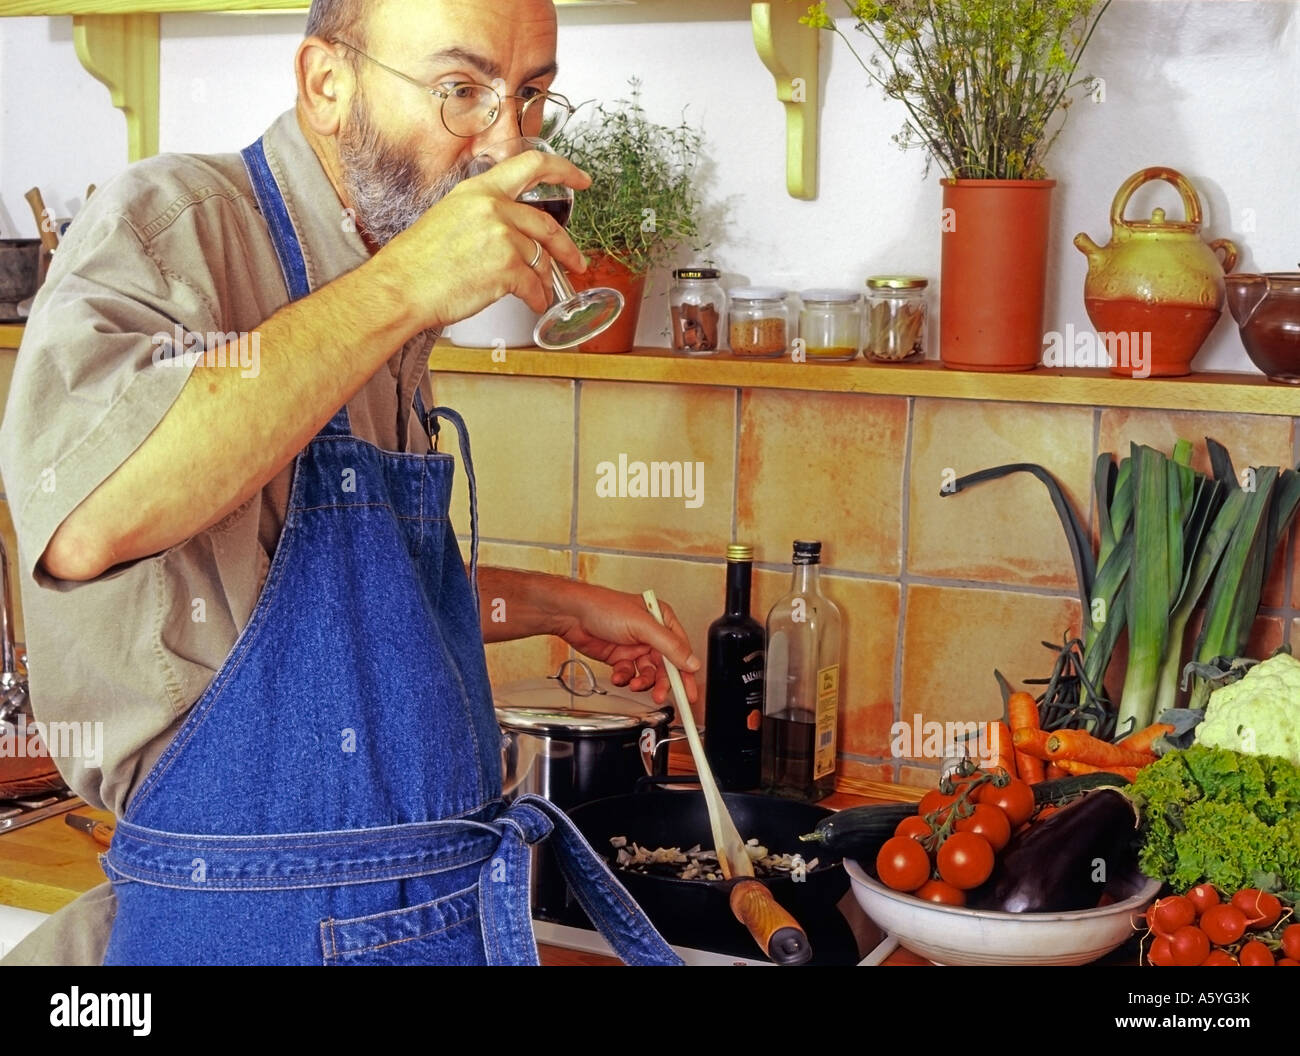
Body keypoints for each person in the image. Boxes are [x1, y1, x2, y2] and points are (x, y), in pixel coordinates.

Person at [0, 0, 698, 966]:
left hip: (424, 918)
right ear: (327, 83)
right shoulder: (175, 226)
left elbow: (319, 598)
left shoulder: (384, 277)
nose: (507, 142)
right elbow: (87, 514)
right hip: (248, 932)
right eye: (462, 91)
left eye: (530, 94)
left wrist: (552, 604)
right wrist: (405, 285)